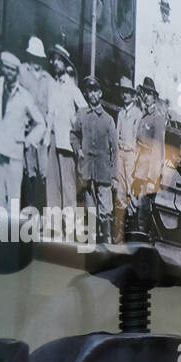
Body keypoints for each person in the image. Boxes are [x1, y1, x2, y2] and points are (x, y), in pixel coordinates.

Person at [0, 51, 45, 210]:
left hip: (14, 153)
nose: (9, 72)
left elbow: (41, 123)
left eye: (12, 70)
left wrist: (29, 141)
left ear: (17, 72)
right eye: (6, 68)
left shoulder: (25, 96)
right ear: (2, 68)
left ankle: (10, 232)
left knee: (13, 197)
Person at [70, 75, 115, 245]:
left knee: (105, 209)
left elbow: (115, 150)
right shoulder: (81, 114)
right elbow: (73, 135)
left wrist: (114, 175)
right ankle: (91, 242)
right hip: (87, 170)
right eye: (90, 91)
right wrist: (78, 149)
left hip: (103, 171)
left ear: (101, 93)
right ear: (86, 94)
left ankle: (107, 241)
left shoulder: (108, 119)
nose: (93, 95)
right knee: (90, 208)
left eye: (96, 91)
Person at [43, 43, 85, 210]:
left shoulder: (72, 88)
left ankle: (69, 227)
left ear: (66, 64)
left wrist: (75, 129)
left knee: (68, 185)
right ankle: (53, 225)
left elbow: (83, 111)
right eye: (53, 60)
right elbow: (50, 113)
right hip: (53, 138)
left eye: (58, 60)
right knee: (52, 182)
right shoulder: (54, 86)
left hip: (66, 141)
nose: (54, 63)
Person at [17, 35, 52, 209]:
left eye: (39, 58)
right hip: (26, 127)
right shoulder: (22, 72)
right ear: (29, 57)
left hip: (42, 130)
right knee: (27, 167)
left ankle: (40, 208)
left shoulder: (48, 79)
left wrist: (47, 131)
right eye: (34, 57)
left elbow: (51, 107)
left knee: (43, 170)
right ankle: (27, 205)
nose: (36, 61)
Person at [114, 75, 143, 239]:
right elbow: (117, 134)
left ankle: (132, 231)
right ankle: (119, 232)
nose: (125, 95)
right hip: (121, 153)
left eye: (127, 93)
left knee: (132, 191)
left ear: (133, 95)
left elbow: (138, 138)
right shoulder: (120, 114)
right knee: (120, 191)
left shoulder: (137, 114)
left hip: (131, 155)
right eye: (123, 92)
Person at [131, 76, 167, 198]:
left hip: (147, 174)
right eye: (144, 93)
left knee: (142, 213)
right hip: (139, 171)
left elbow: (158, 151)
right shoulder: (144, 117)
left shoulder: (157, 118)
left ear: (154, 97)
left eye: (149, 93)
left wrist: (152, 178)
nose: (146, 96)